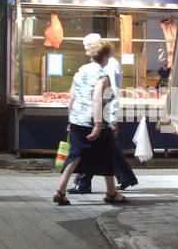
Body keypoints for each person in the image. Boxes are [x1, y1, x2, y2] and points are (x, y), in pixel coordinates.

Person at [52, 39, 127, 206]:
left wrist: (70, 119)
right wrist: (98, 126)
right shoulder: (102, 75)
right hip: (94, 121)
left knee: (76, 155)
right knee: (106, 155)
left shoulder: (80, 71)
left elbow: (72, 96)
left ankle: (61, 190)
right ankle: (111, 193)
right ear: (106, 56)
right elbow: (98, 99)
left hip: (78, 119)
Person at [70, 35, 138, 195]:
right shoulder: (99, 65)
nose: (87, 52)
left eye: (88, 48)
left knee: (94, 149)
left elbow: (111, 92)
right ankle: (122, 180)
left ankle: (84, 183)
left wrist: (111, 118)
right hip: (98, 115)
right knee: (105, 149)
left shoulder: (110, 66)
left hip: (103, 115)